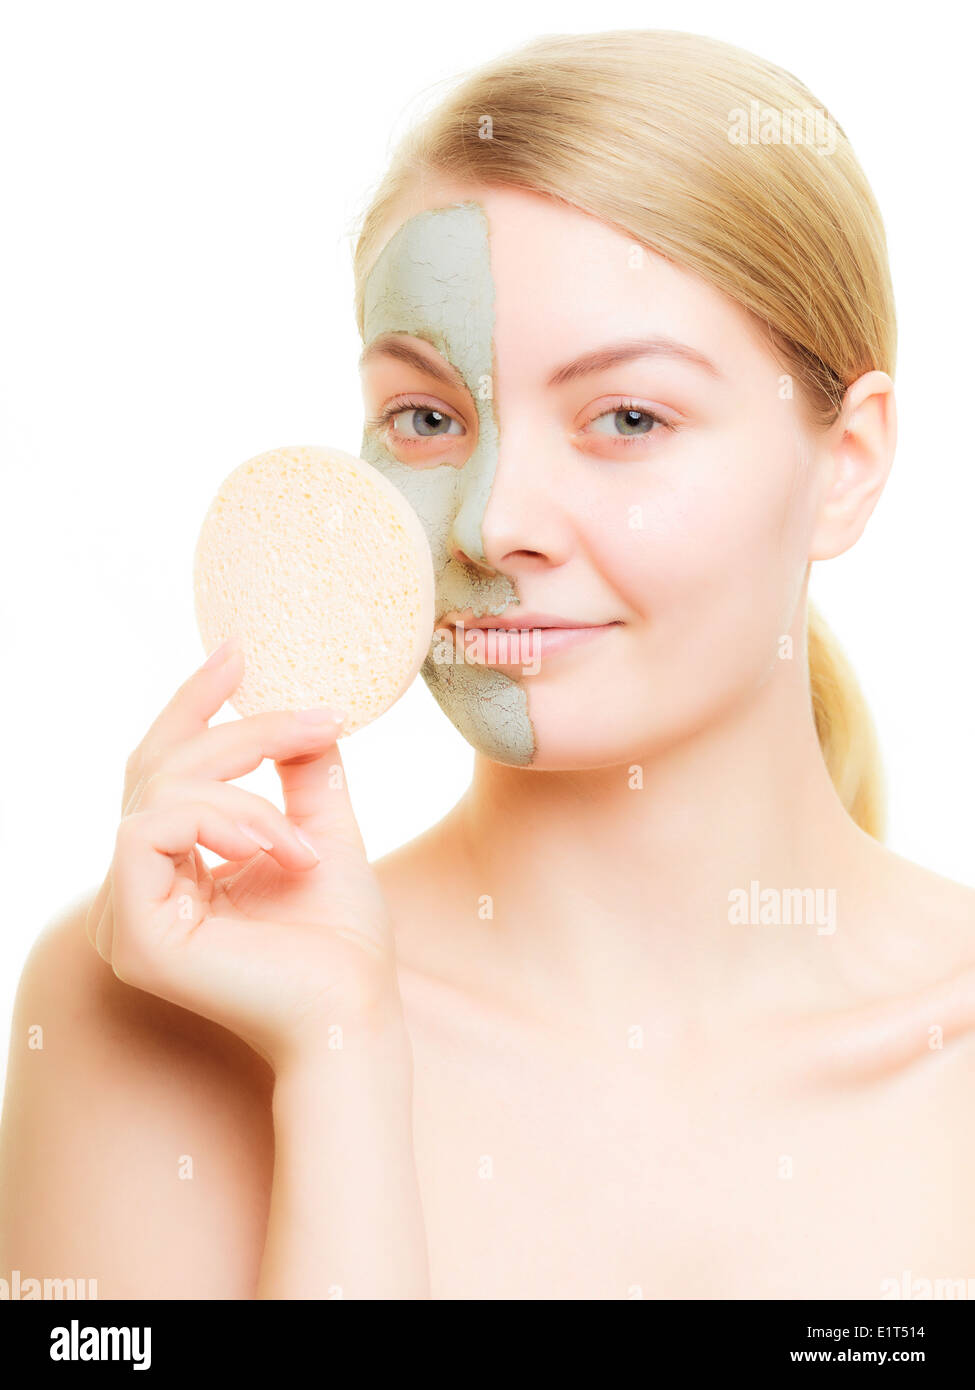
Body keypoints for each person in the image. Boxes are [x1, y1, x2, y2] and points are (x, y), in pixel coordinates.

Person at [2, 29, 973, 1301]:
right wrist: (343, 1057)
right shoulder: (157, 1000)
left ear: (848, 462)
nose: (487, 518)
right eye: (427, 418)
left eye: (628, 417)